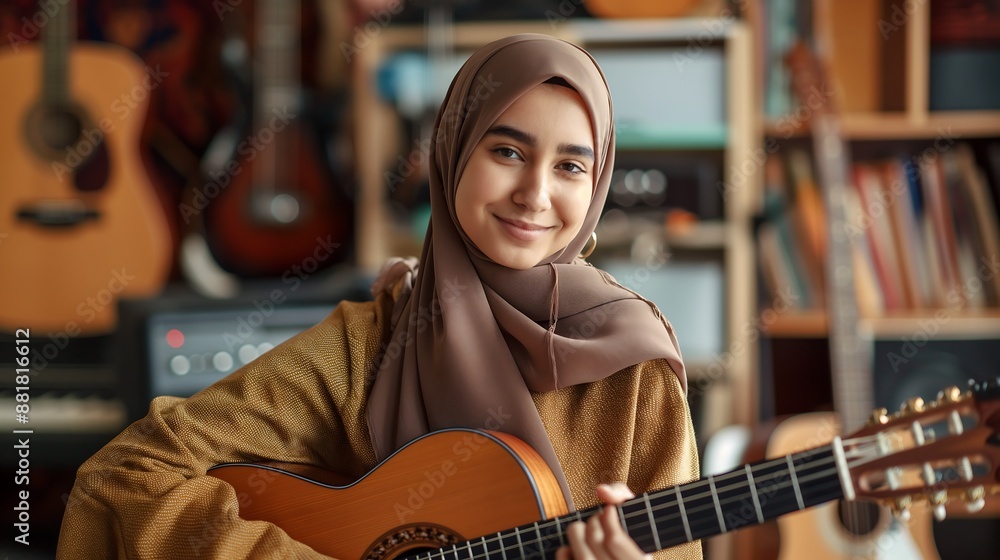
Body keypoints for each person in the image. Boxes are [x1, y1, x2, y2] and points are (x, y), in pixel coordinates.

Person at [56, 34, 702, 559]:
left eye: (570, 166)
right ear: (450, 151)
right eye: (507, 150)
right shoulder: (370, 341)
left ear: (599, 183)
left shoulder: (634, 367)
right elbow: (129, 473)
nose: (535, 194)